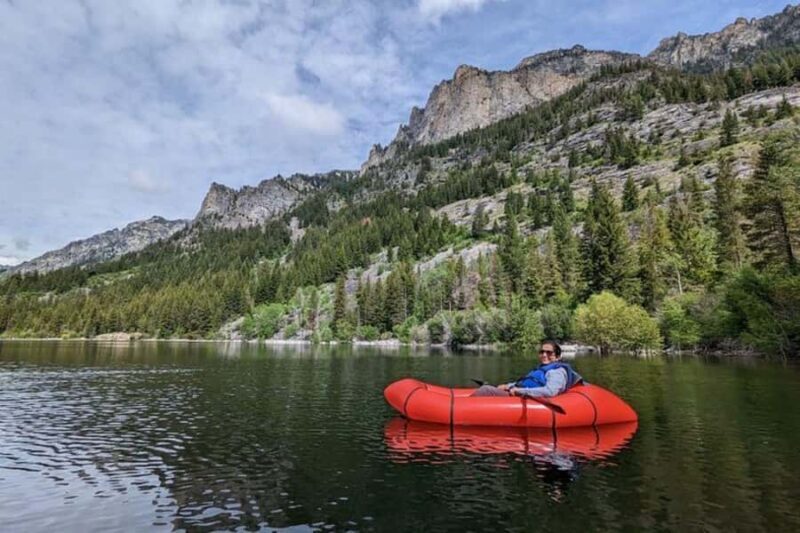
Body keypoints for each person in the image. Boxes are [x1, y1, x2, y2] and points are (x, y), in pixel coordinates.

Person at [471, 340, 584, 398]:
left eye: (549, 353)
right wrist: (508, 386)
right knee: (487, 389)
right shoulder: (542, 368)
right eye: (542, 352)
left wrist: (519, 391)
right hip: (519, 393)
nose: (544, 355)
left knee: (486, 390)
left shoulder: (557, 372)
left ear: (558, 356)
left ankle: (461, 411)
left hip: (522, 397)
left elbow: (550, 391)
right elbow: (527, 382)